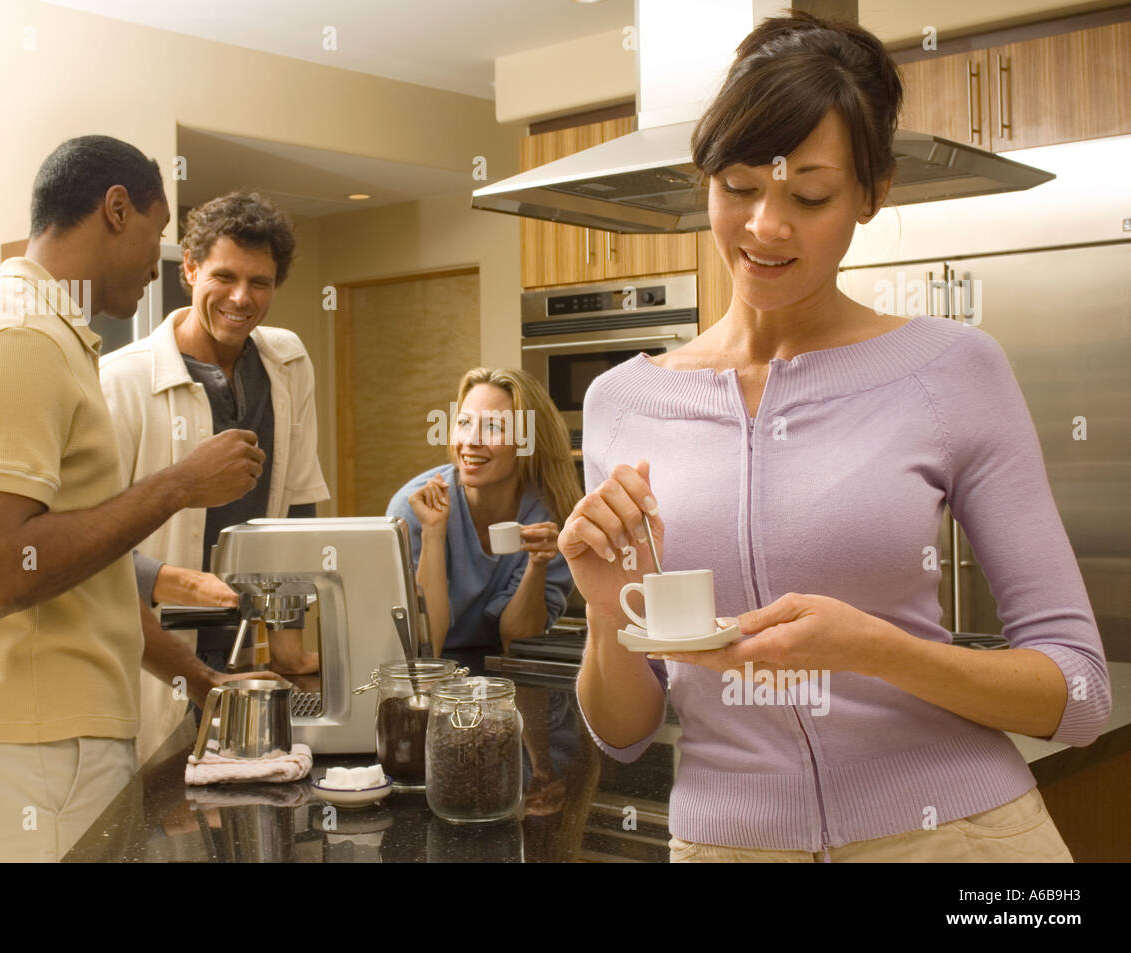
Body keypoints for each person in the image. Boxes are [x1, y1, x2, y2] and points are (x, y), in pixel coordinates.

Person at [560, 11, 1110, 863]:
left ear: (871, 193)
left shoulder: (952, 369)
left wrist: (877, 650)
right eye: (738, 187)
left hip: (965, 842)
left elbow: (1078, 690)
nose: (766, 226)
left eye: (809, 195)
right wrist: (605, 611)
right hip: (727, 848)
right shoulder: (621, 403)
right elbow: (625, 734)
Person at [0, 136, 270, 862]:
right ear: (116, 209)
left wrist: (200, 679)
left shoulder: (57, 337)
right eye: (157, 233)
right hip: (35, 742)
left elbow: (90, 571)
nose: (157, 262)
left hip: (51, 736)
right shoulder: (18, 338)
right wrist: (177, 486)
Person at [101, 191, 329, 763]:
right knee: (155, 830)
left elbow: (297, 510)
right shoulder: (120, 383)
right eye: (224, 276)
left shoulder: (288, 362)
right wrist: (175, 580)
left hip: (244, 658)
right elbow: (85, 545)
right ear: (191, 269)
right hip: (145, 656)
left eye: (260, 282)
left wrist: (288, 641)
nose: (241, 298)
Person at [386, 368, 580, 674]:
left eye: (493, 427)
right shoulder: (411, 510)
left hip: (503, 678)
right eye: (464, 423)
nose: (470, 441)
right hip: (426, 677)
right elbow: (426, 652)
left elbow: (517, 641)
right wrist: (433, 534)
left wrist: (537, 564)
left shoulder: (549, 519)